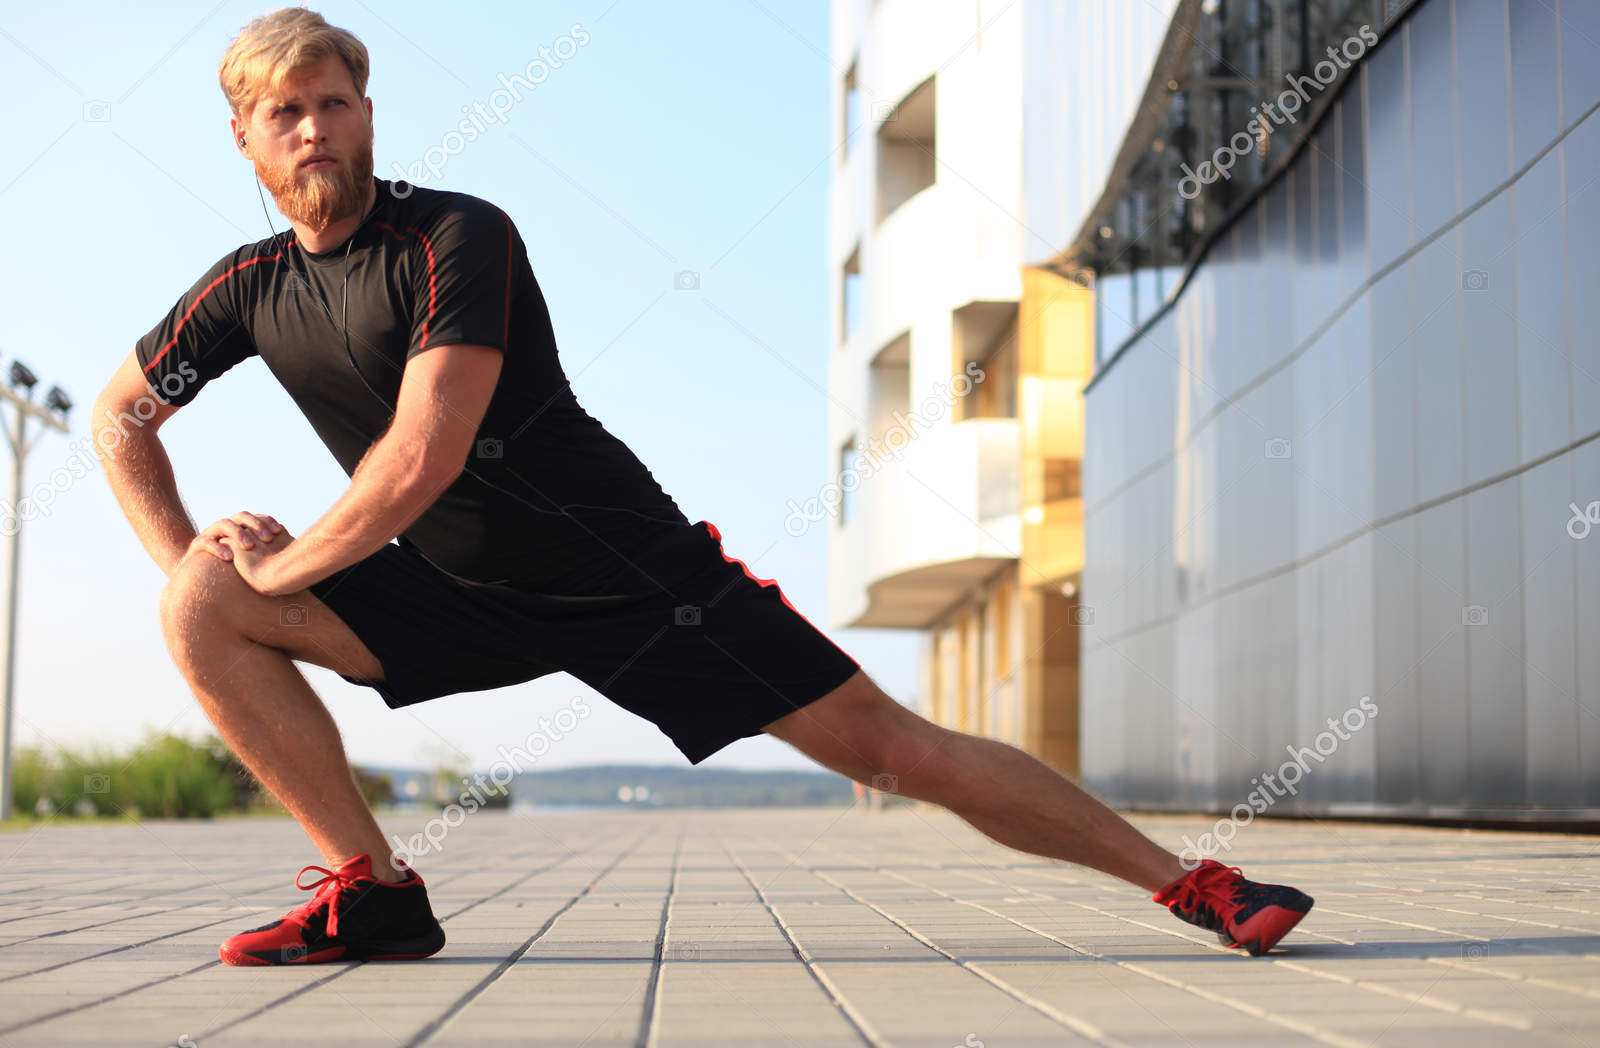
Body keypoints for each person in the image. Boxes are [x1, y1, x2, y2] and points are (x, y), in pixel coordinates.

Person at [93, 8, 1313, 967]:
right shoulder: (244, 286)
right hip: (455, 587)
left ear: (367, 114)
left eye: (333, 103)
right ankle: (375, 894)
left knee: (890, 748)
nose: (313, 129)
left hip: (629, 571)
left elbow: (423, 455)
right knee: (195, 603)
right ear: (247, 140)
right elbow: (120, 415)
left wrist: (282, 562)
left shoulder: (458, 237)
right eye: (284, 113)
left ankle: (1195, 882)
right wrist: (201, 555)